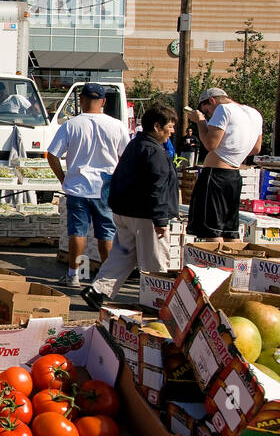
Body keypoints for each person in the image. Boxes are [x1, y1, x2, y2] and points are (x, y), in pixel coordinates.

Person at [81, 104, 180, 309]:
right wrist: (161, 219)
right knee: (155, 261)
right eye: (169, 126)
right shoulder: (154, 151)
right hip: (146, 216)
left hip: (124, 211)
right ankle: (155, 301)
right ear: (156, 126)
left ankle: (97, 291)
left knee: (123, 254)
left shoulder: (136, 145)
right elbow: (157, 187)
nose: (172, 131)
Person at [46, 83, 130, 287]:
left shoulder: (71, 125)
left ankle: (73, 275)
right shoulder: (116, 125)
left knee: (77, 232)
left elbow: (52, 155)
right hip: (105, 186)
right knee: (106, 232)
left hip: (77, 186)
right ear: (103, 102)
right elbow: (126, 156)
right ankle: (106, 279)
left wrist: (62, 178)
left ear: (81, 101)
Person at [186, 87, 264, 240]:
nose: (209, 116)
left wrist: (201, 122)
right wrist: (234, 151)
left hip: (215, 175)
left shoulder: (223, 109)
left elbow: (210, 144)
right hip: (234, 175)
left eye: (207, 111)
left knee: (211, 229)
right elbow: (256, 148)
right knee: (229, 230)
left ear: (212, 101)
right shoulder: (254, 113)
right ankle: (230, 263)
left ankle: (214, 263)